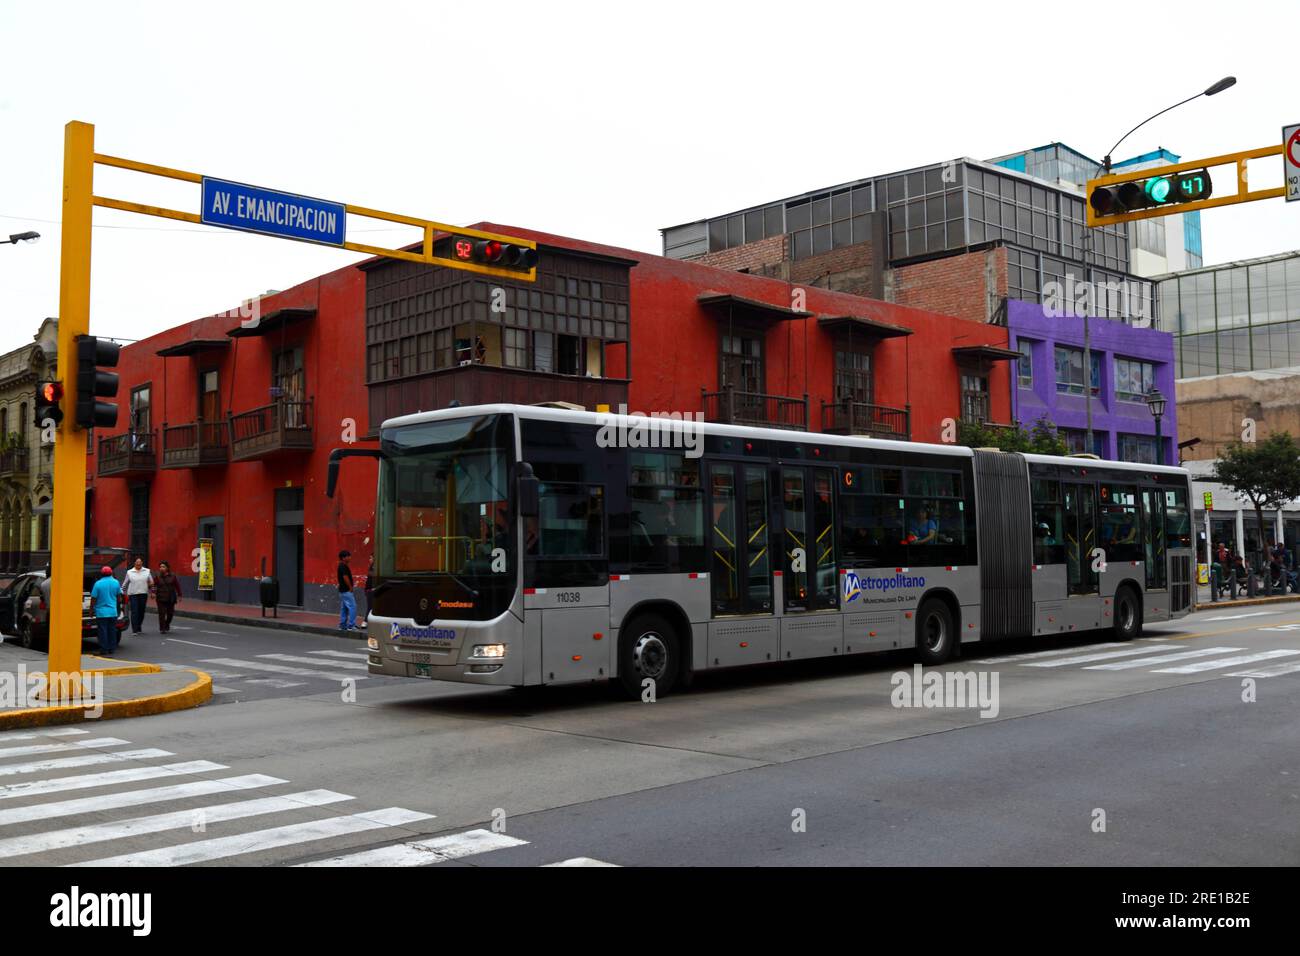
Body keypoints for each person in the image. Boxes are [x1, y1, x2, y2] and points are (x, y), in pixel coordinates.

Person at [90, 566, 121, 656]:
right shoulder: (116, 582)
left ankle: (104, 649)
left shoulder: (98, 584)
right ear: (111, 573)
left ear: (101, 574)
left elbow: (93, 598)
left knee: (102, 631)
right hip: (112, 611)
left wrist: (91, 610)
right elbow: (119, 598)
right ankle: (112, 648)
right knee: (112, 630)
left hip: (101, 612)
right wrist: (117, 608)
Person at [122, 556, 152, 635]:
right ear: (134, 563)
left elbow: (151, 582)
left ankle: (139, 626)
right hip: (133, 594)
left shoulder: (147, 571)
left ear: (142, 563)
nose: (138, 563)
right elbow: (125, 584)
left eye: (140, 562)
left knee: (141, 612)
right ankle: (134, 630)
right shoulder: (129, 572)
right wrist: (121, 592)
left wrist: (153, 592)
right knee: (135, 611)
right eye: (137, 562)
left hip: (143, 593)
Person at [152, 560, 182, 633]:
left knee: (170, 613)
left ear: (167, 568)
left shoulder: (173, 576)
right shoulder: (157, 576)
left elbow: (177, 586)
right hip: (160, 597)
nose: (161, 568)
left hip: (171, 597)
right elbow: (153, 585)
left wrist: (180, 595)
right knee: (161, 614)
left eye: (163, 567)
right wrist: (153, 593)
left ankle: (167, 624)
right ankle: (162, 628)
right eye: (160, 567)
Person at [337, 550, 357, 632]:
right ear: (343, 558)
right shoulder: (343, 566)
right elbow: (345, 577)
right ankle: (351, 625)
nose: (350, 557)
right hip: (346, 590)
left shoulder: (342, 565)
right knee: (353, 607)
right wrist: (350, 587)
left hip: (342, 590)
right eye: (348, 556)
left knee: (344, 608)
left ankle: (342, 625)